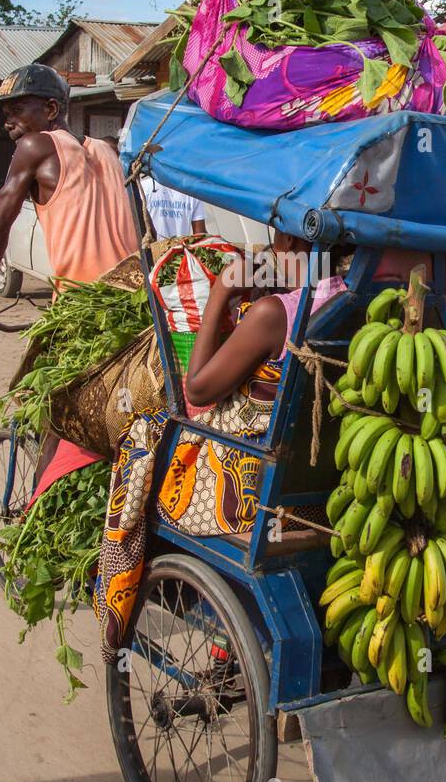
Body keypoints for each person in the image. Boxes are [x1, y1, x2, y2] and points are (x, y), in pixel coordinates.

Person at [94, 231, 345, 659]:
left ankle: (116, 595)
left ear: (292, 242)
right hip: (330, 489)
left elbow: (197, 389)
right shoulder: (353, 305)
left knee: (142, 435)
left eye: (277, 240)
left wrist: (220, 294)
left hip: (255, 496)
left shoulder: (273, 315)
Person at [0, 63, 138, 331]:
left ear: (51, 109)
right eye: (6, 115)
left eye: (17, 111)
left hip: (83, 305)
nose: (8, 123)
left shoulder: (35, 145)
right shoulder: (107, 148)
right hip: (134, 299)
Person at [140, 175, 206, 239]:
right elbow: (200, 235)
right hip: (180, 248)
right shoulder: (192, 190)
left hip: (152, 248)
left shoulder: (142, 188)